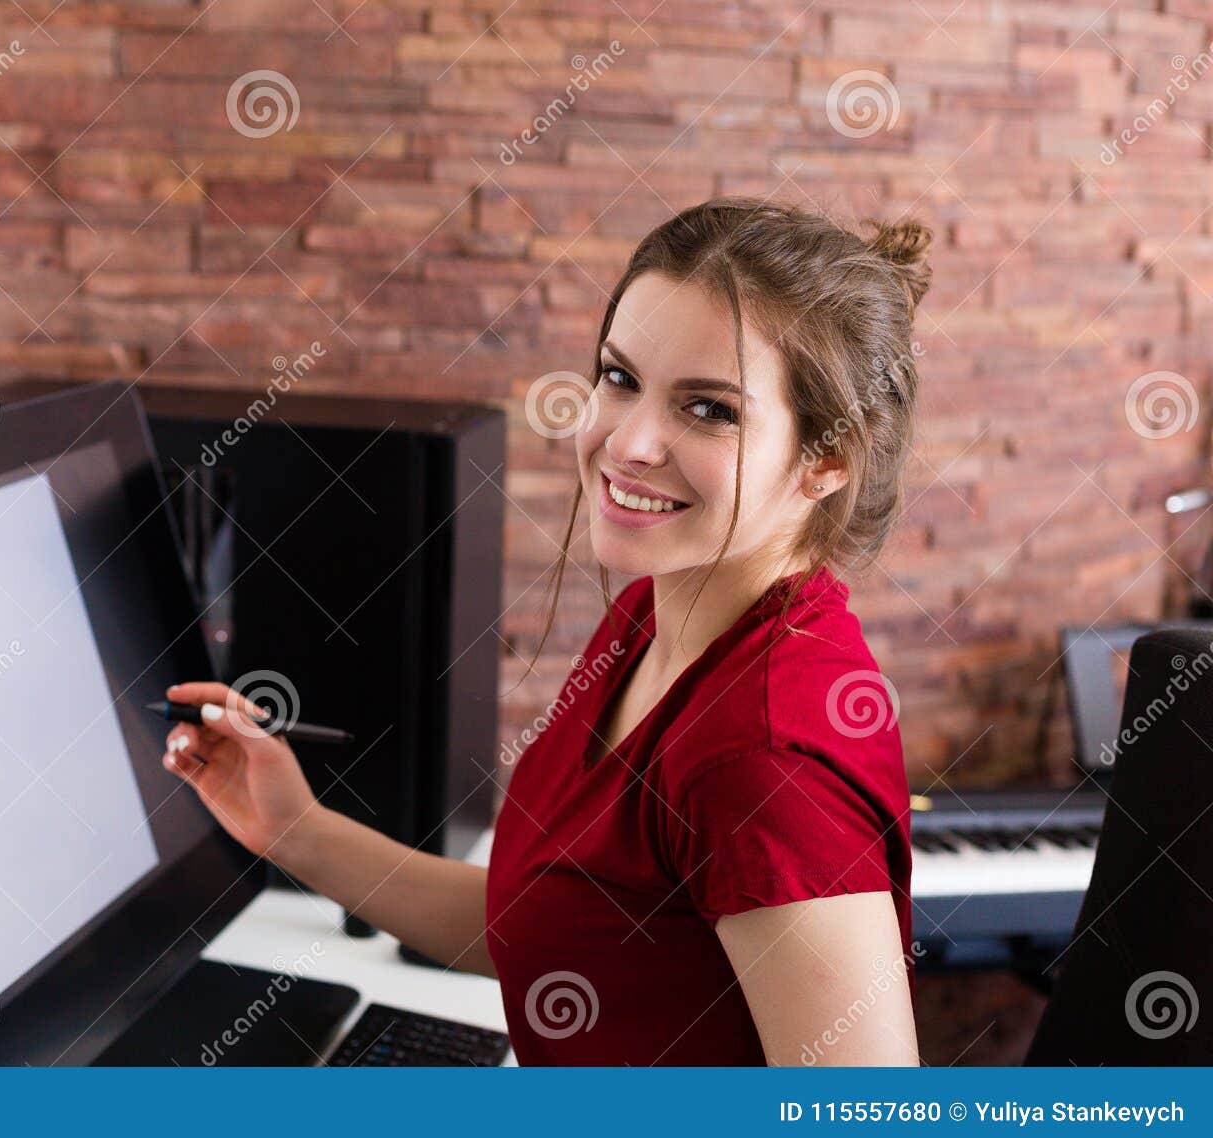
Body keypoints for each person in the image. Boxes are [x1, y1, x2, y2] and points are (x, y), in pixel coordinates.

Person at [160, 197, 928, 1065]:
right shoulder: (653, 617)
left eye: (710, 409)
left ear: (828, 458)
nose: (629, 441)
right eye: (620, 377)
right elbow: (553, 929)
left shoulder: (765, 760)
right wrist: (295, 827)